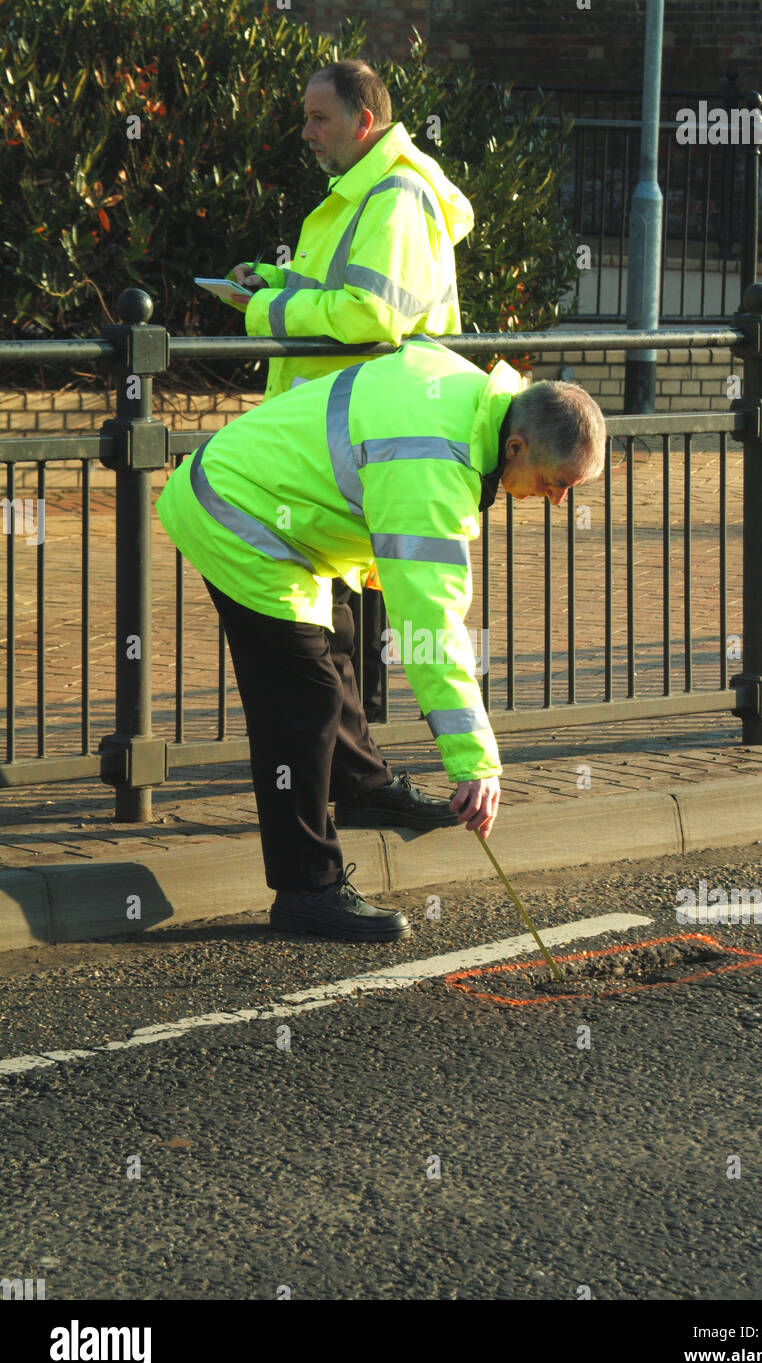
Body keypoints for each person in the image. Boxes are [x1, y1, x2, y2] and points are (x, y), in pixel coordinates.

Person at [155, 339, 606, 943]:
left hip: (275, 510)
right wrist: (474, 761)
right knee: (304, 701)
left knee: (335, 642)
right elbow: (429, 625)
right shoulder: (435, 465)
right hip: (237, 517)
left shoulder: (470, 396)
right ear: (516, 446)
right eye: (555, 483)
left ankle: (363, 790)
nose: (557, 501)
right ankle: (306, 889)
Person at [229, 58, 474, 723]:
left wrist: (261, 314)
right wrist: (273, 284)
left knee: (351, 621)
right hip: (344, 439)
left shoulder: (393, 196)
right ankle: (348, 767)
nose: (305, 132)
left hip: (364, 440)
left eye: (318, 118)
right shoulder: (370, 192)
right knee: (339, 614)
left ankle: (354, 767)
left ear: (363, 122)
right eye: (304, 116)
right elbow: (346, 299)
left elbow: (371, 314)